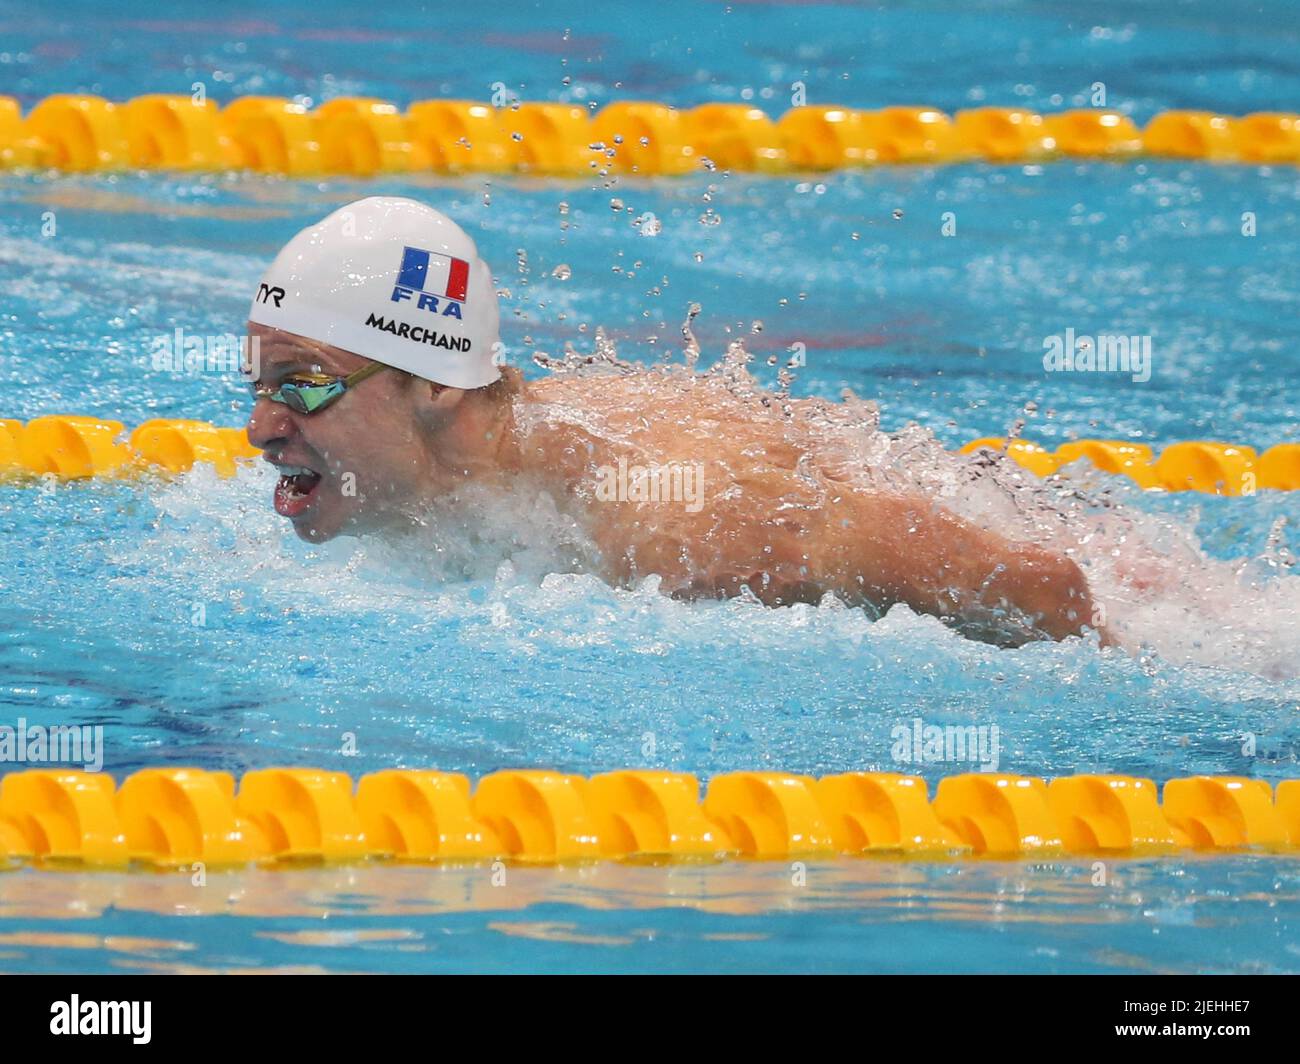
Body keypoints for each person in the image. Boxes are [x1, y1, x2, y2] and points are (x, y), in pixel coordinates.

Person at [245, 196, 1102, 647]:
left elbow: (1044, 589)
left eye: (302, 384)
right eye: (255, 383)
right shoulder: (437, 491)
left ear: (436, 387)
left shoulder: (681, 523)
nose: (260, 427)